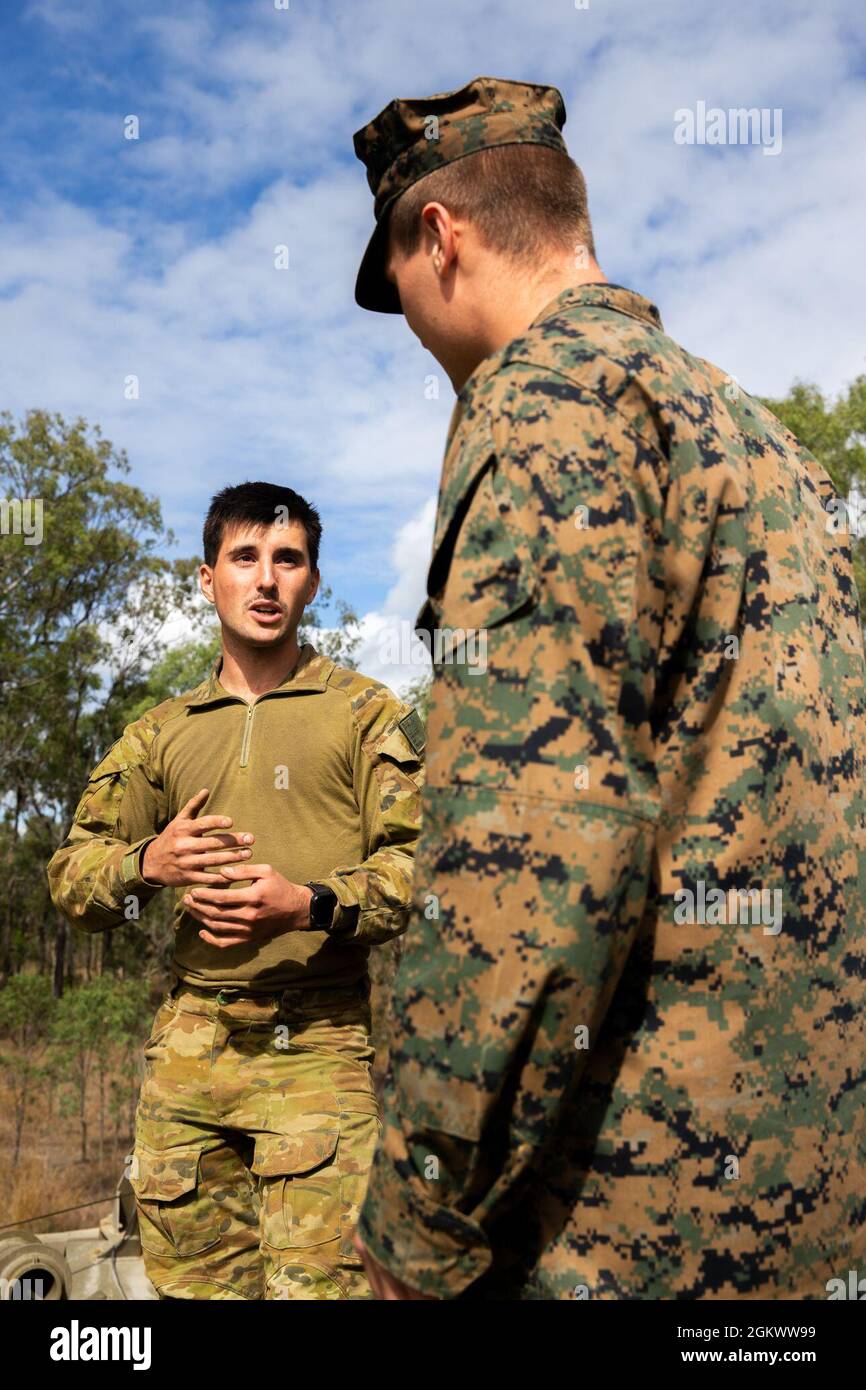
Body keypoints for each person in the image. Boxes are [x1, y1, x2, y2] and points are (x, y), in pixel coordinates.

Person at [349, 75, 866, 1300]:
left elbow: (527, 861)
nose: (409, 322)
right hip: (806, 1206)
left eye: (400, 288)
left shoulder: (537, 402)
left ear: (440, 237)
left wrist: (420, 1222)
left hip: (622, 1224)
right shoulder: (758, 434)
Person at [47, 480, 425, 1300]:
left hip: (319, 1040)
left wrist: (310, 903)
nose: (264, 579)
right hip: (189, 1047)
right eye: (243, 557)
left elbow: (416, 873)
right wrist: (150, 863)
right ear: (207, 576)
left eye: (287, 560)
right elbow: (72, 877)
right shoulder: (161, 731)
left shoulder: (366, 714)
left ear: (313, 583)